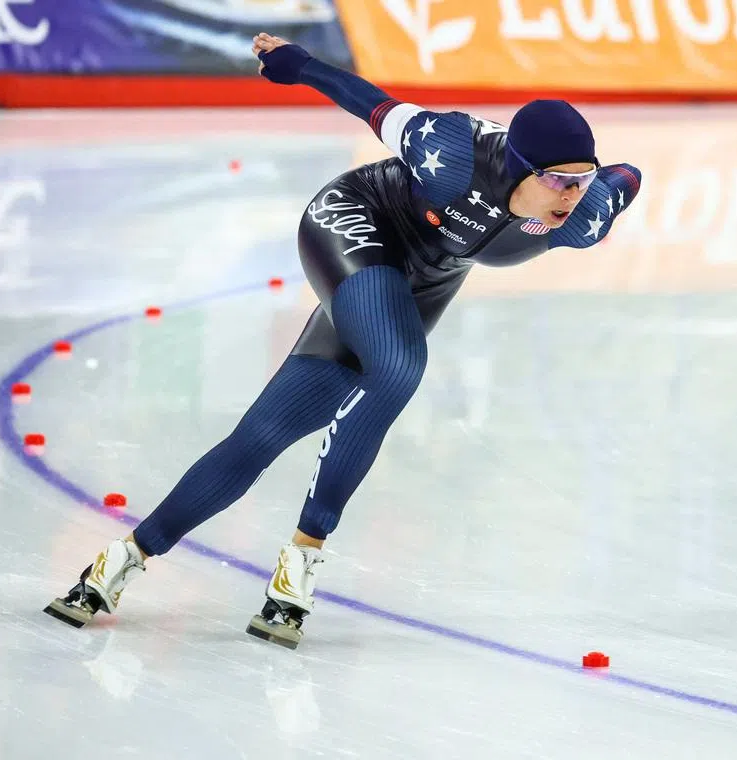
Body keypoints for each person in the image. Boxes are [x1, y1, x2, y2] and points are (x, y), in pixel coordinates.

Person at [44, 33, 642, 649]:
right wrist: (296, 64)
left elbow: (629, 176)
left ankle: (122, 558)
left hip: (427, 280)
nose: (571, 196)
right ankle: (303, 554)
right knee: (401, 366)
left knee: (264, 434)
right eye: (558, 182)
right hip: (355, 223)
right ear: (520, 167)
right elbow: (372, 103)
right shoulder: (451, 149)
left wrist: (606, 177)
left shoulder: (584, 216)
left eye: (581, 180)